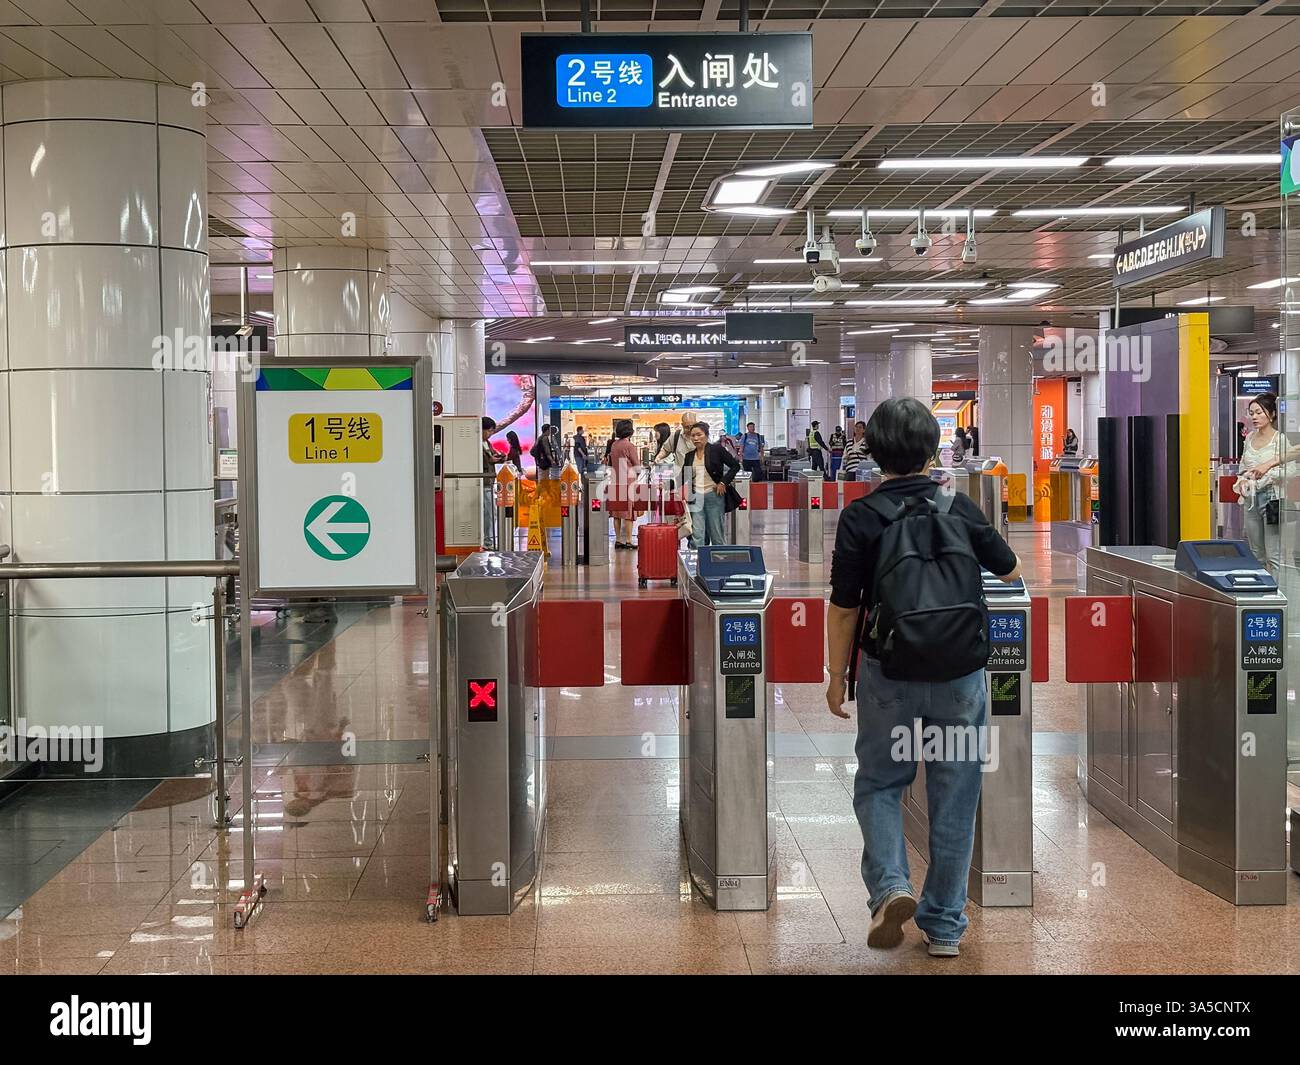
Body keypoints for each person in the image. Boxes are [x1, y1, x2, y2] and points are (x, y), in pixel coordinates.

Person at [825, 397, 1021, 958]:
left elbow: (844, 607)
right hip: (960, 674)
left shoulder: (862, 516)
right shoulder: (958, 506)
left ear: (874, 451)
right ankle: (944, 927)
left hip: (890, 671)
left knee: (882, 782)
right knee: (955, 792)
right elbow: (1010, 568)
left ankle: (890, 885)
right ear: (932, 450)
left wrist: (837, 675)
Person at [1236, 392, 1289, 572]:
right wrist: (1242, 480)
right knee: (1255, 553)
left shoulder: (1280, 440)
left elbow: (1291, 470)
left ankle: (1277, 595)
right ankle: (1260, 595)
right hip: (1251, 498)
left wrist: (1269, 475)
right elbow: (1243, 466)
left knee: (1272, 555)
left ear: (1272, 414)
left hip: (1271, 497)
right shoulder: (1249, 438)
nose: (1254, 417)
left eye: (1259, 412)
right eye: (1252, 413)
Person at [682, 422, 741, 548]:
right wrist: (667, 484)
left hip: (714, 495)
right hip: (696, 497)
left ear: (706, 435)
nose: (696, 438)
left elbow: (735, 466)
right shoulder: (689, 456)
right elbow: (683, 476)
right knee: (697, 534)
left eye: (699, 435)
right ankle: (698, 563)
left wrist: (723, 482)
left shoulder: (717, 450)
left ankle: (719, 561)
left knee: (716, 533)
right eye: (693, 436)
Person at [607, 419, 640, 550]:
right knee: (628, 513)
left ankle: (618, 540)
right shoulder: (629, 446)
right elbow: (637, 465)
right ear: (630, 431)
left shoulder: (614, 444)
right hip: (628, 482)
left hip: (615, 480)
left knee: (616, 512)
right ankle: (628, 540)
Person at [480, 415, 500, 549]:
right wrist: (491, 460)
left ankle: (489, 539)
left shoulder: (488, 443)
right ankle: (488, 541)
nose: (491, 434)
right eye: (489, 431)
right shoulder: (476, 444)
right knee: (488, 512)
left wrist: (499, 457)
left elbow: (492, 456)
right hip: (483, 481)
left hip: (490, 481)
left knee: (491, 511)